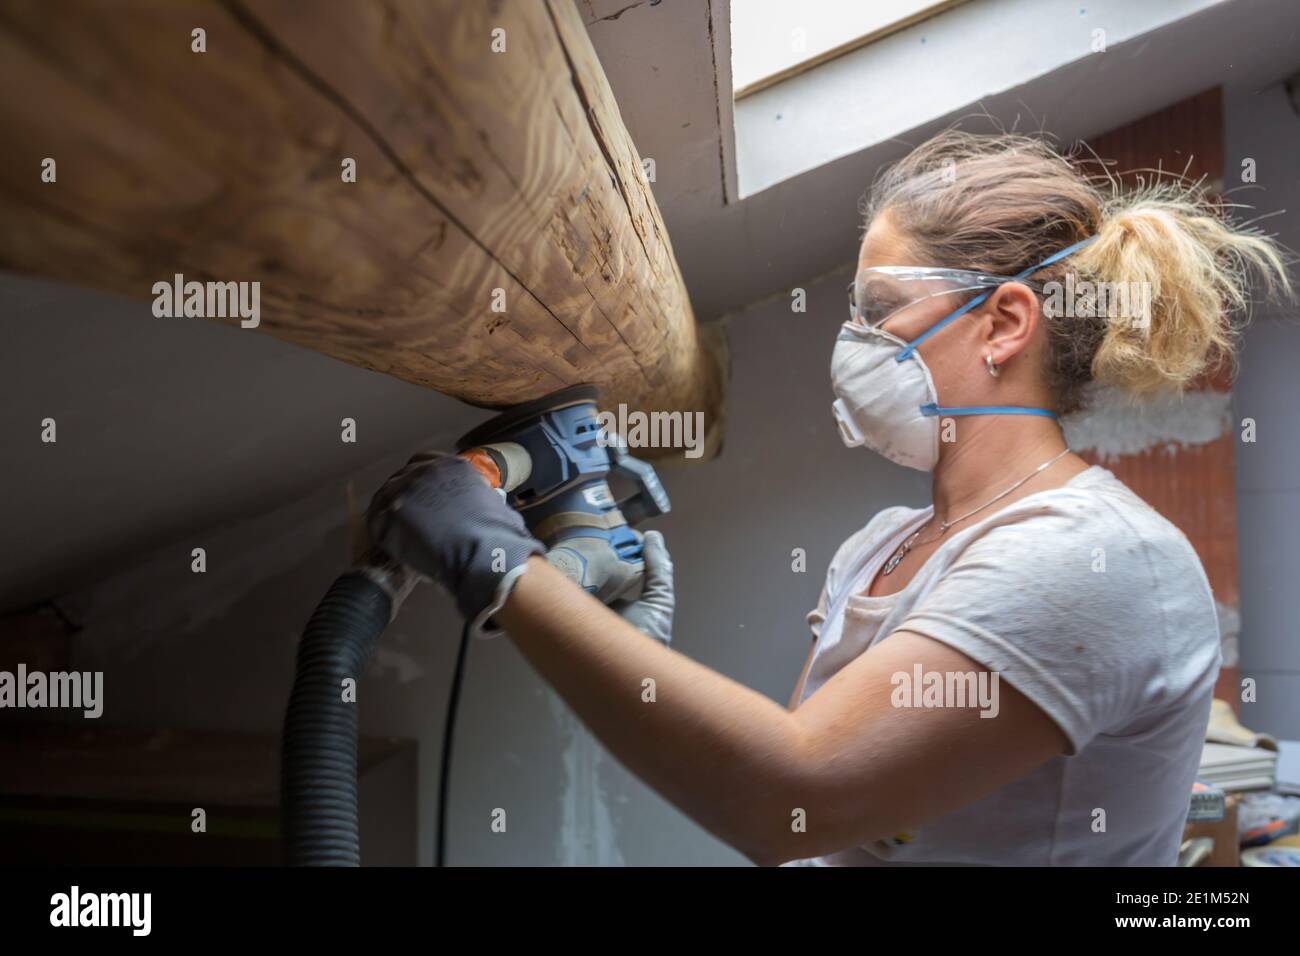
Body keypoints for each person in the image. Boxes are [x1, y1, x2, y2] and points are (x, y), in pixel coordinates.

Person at [365, 131, 1291, 866]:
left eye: (879, 307)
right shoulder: (885, 545)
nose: (852, 342)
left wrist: (502, 572)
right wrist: (633, 662)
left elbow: (790, 801)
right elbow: (817, 814)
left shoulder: (1093, 558)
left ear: (1004, 322)